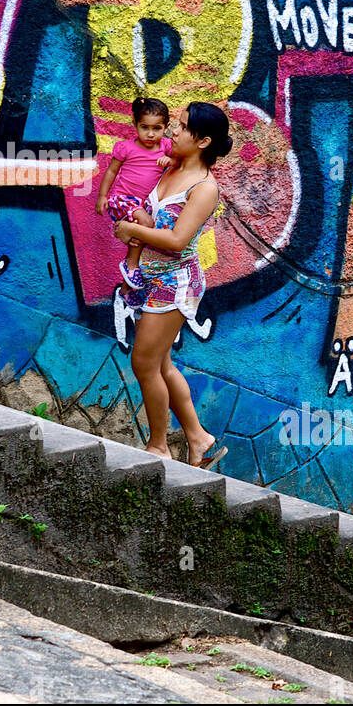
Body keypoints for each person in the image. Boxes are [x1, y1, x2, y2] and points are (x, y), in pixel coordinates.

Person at [114, 102, 232, 468]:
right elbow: (157, 221)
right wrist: (137, 216)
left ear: (204, 140)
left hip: (176, 284)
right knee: (162, 365)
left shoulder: (204, 188)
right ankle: (199, 439)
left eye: (182, 127)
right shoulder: (172, 168)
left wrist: (133, 230)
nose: (174, 132)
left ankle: (158, 446)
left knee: (144, 363)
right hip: (153, 278)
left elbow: (178, 239)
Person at [95, 97, 176, 292]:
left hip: (144, 204)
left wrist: (170, 160)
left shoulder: (166, 147)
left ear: (166, 126)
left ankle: (126, 290)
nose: (149, 134)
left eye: (156, 128)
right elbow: (112, 172)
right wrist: (102, 196)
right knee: (147, 225)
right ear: (135, 125)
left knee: (144, 234)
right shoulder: (127, 148)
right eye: (144, 127)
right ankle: (130, 265)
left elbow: (182, 161)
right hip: (124, 199)